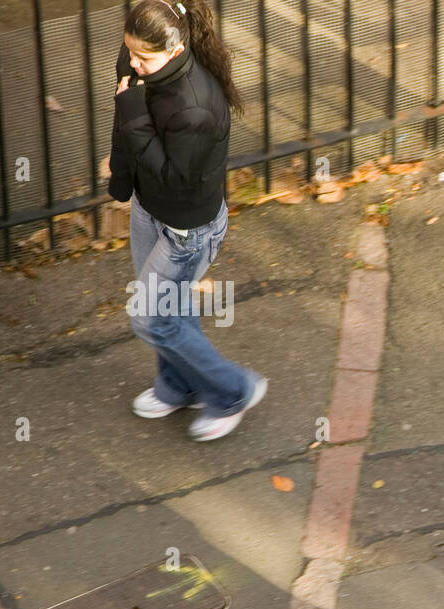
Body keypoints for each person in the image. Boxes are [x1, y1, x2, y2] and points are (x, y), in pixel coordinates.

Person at [108, 0, 266, 442]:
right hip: (149, 208)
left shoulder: (196, 106)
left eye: (144, 58)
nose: (133, 65)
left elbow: (176, 179)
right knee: (170, 307)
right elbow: (124, 119)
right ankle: (180, 386)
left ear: (175, 51)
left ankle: (234, 390)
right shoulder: (138, 59)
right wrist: (122, 181)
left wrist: (135, 115)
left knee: (151, 318)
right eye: (130, 53)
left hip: (187, 231)